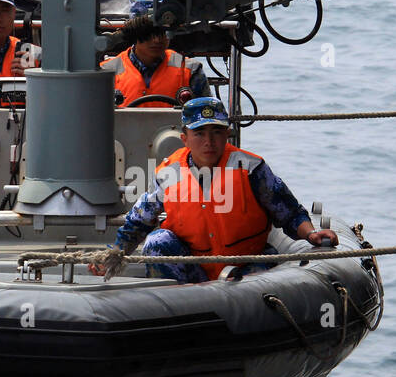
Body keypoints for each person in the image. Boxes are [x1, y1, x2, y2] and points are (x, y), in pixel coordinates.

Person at [93, 97, 339, 283]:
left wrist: (310, 234)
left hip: (246, 264)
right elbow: (138, 222)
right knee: (157, 242)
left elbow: (289, 212)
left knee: (259, 278)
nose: (209, 141)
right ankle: (175, 313)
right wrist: (113, 255)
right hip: (192, 265)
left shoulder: (251, 168)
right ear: (184, 138)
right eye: (199, 133)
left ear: (227, 134)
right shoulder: (168, 173)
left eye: (216, 132)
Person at [101, 14, 209, 108]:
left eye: (163, 32)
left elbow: (208, 114)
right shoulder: (106, 72)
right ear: (134, 33)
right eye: (148, 33)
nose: (157, 40)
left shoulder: (190, 70)